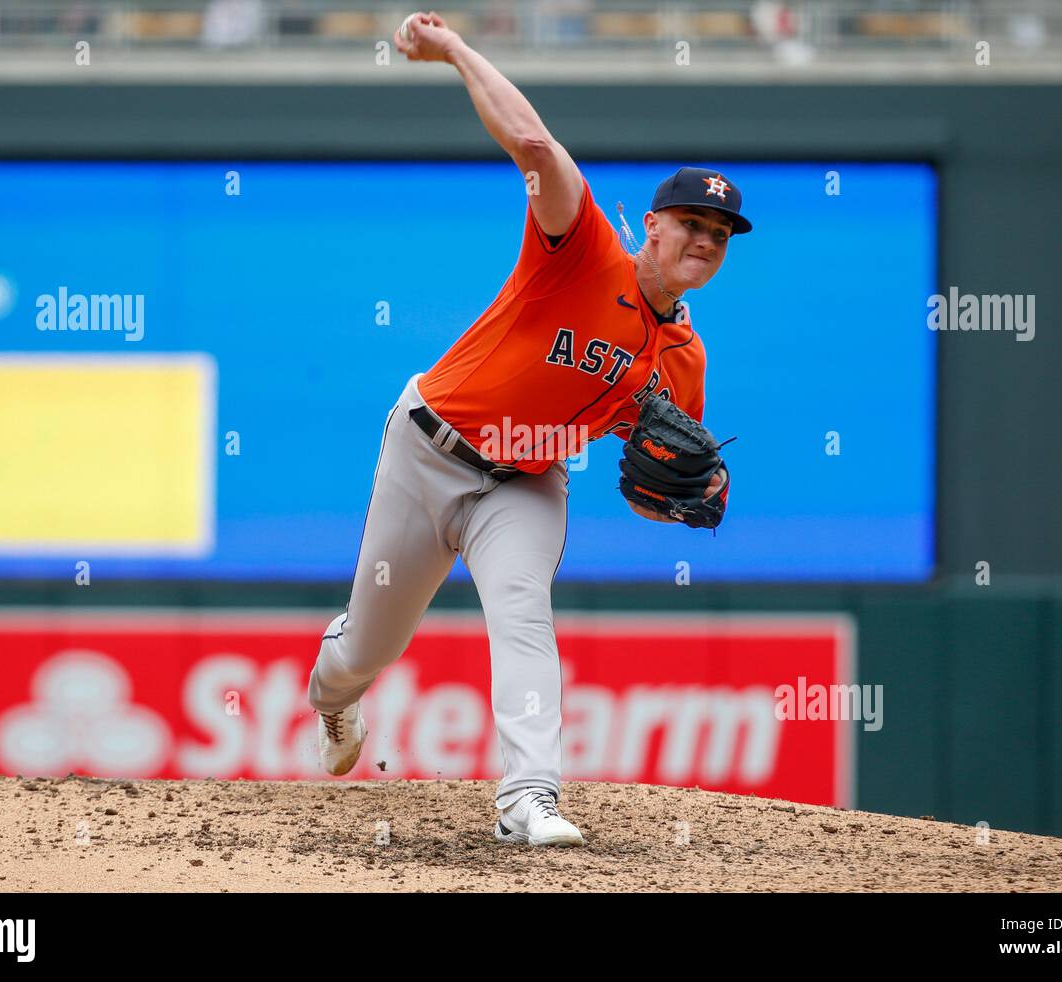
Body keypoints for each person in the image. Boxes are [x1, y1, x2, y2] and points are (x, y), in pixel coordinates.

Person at [307, 10, 751, 847]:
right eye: (691, 223)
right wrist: (454, 50)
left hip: (529, 480)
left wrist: (685, 499)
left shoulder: (685, 359)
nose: (705, 240)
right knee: (367, 645)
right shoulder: (581, 249)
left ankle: (528, 799)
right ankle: (335, 695)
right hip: (428, 447)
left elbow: (652, 484)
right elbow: (536, 148)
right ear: (649, 226)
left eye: (720, 234)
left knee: (524, 611)